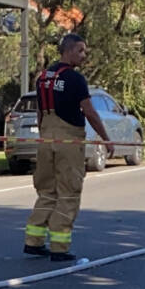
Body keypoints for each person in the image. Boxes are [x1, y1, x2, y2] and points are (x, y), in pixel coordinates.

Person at [22, 34, 114, 262]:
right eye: (81, 51)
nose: (84, 56)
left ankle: (33, 242)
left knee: (47, 191)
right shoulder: (75, 79)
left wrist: (44, 135)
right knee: (69, 192)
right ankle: (59, 247)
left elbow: (41, 111)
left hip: (46, 139)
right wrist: (106, 138)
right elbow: (90, 112)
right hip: (68, 140)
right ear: (68, 51)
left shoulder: (43, 78)